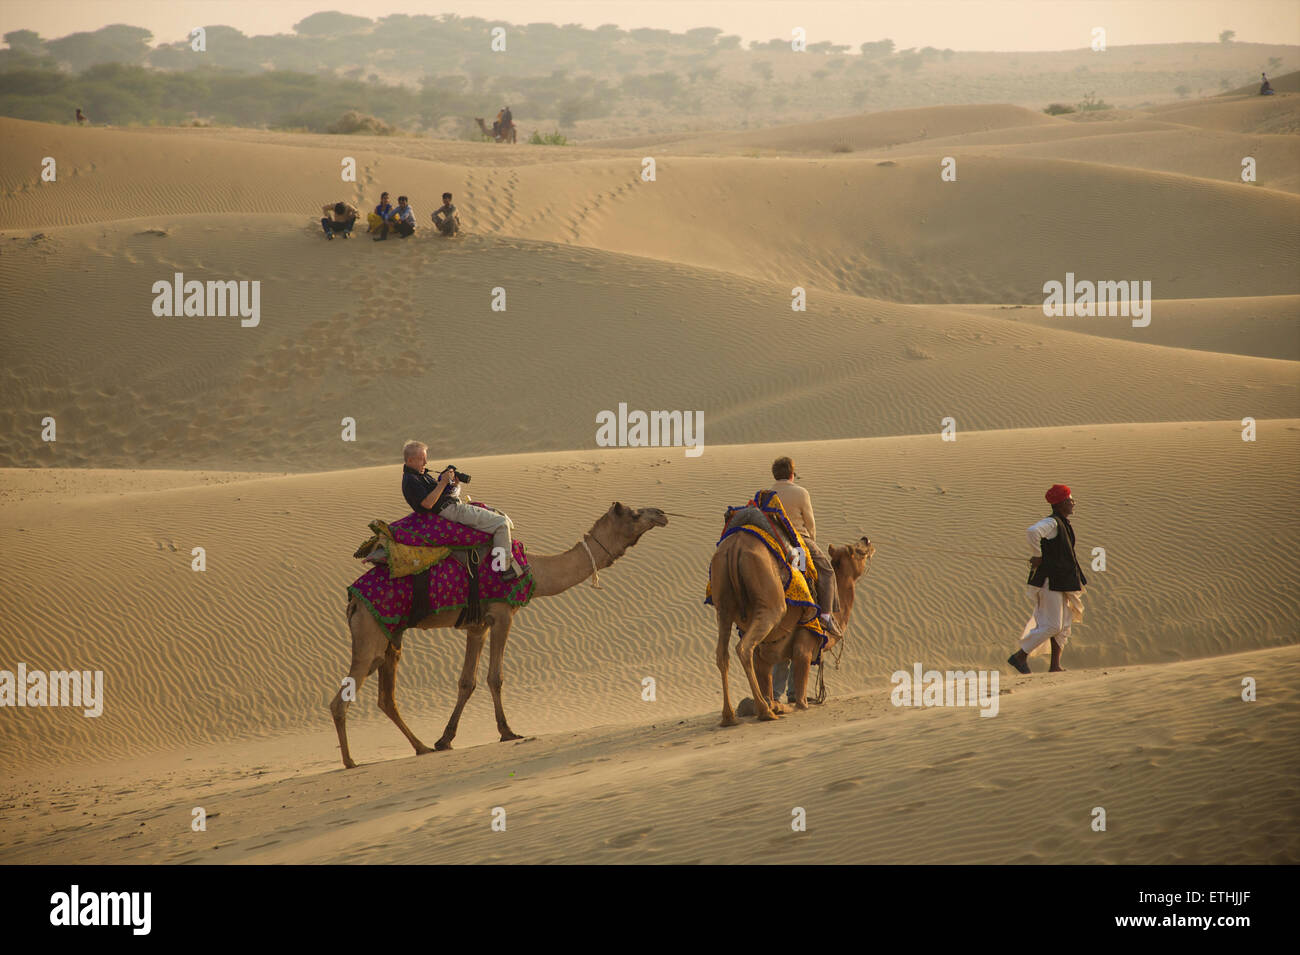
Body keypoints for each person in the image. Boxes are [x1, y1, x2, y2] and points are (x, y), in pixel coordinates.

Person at [401, 440, 524, 581]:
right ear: (410, 460)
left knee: (502, 517)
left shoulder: (419, 474)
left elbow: (438, 494)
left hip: (451, 506)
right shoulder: (410, 480)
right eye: (422, 459)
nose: (426, 462)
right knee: (501, 524)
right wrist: (442, 482)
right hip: (449, 510)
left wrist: (454, 484)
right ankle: (505, 568)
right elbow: (428, 503)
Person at [1007, 484, 1087, 675]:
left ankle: (1055, 666)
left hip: (1062, 580)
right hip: (1050, 581)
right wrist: (1038, 554)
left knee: (1063, 624)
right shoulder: (1051, 523)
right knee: (1053, 625)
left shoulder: (1062, 522)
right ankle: (1019, 656)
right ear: (1061, 504)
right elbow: (1032, 532)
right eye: (1070, 500)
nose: (1073, 503)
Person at [768, 456, 841, 639]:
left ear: (775, 475)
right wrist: (812, 542)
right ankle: (825, 616)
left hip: (775, 542)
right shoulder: (801, 492)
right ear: (792, 474)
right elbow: (810, 523)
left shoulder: (768, 494)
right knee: (827, 571)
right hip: (800, 540)